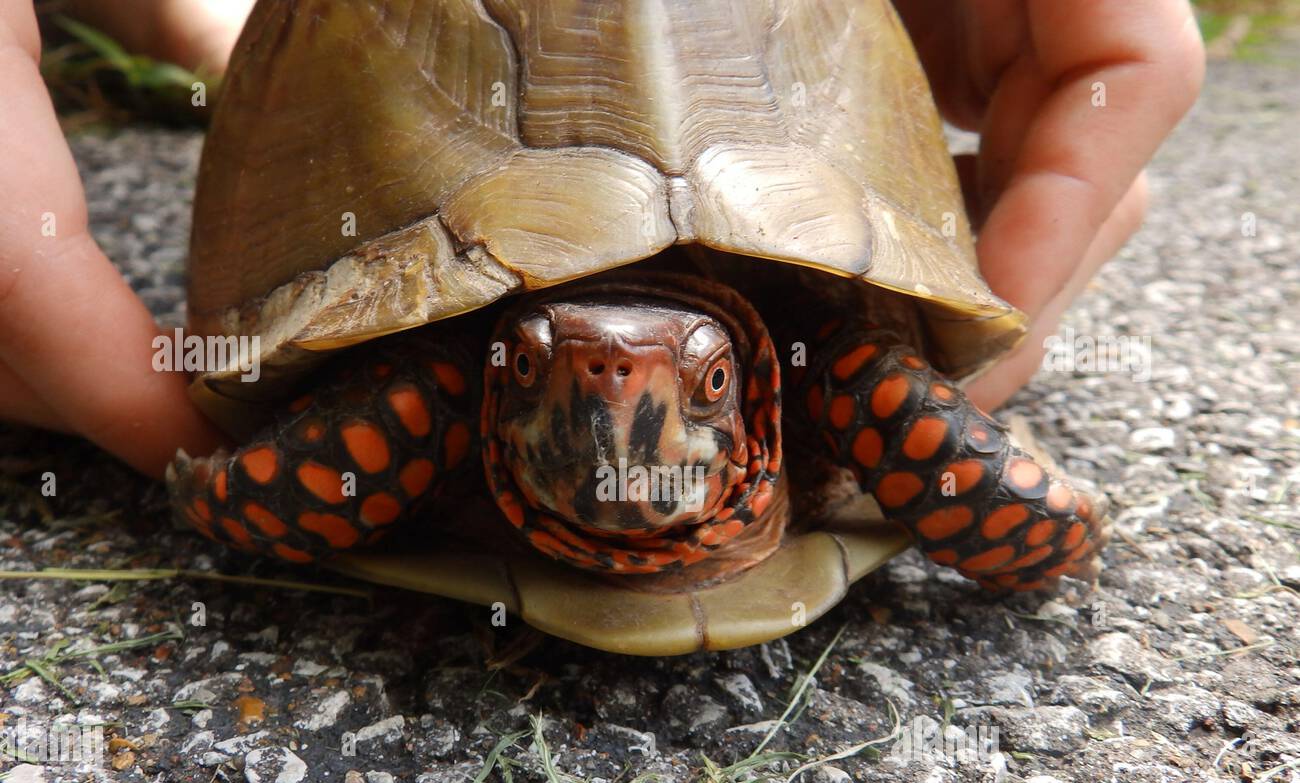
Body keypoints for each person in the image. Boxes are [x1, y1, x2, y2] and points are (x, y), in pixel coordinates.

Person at [0, 0, 1205, 478]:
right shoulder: (448, 387)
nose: (619, 402)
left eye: (707, 383)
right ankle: (193, 24)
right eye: (536, 366)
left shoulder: (816, 365)